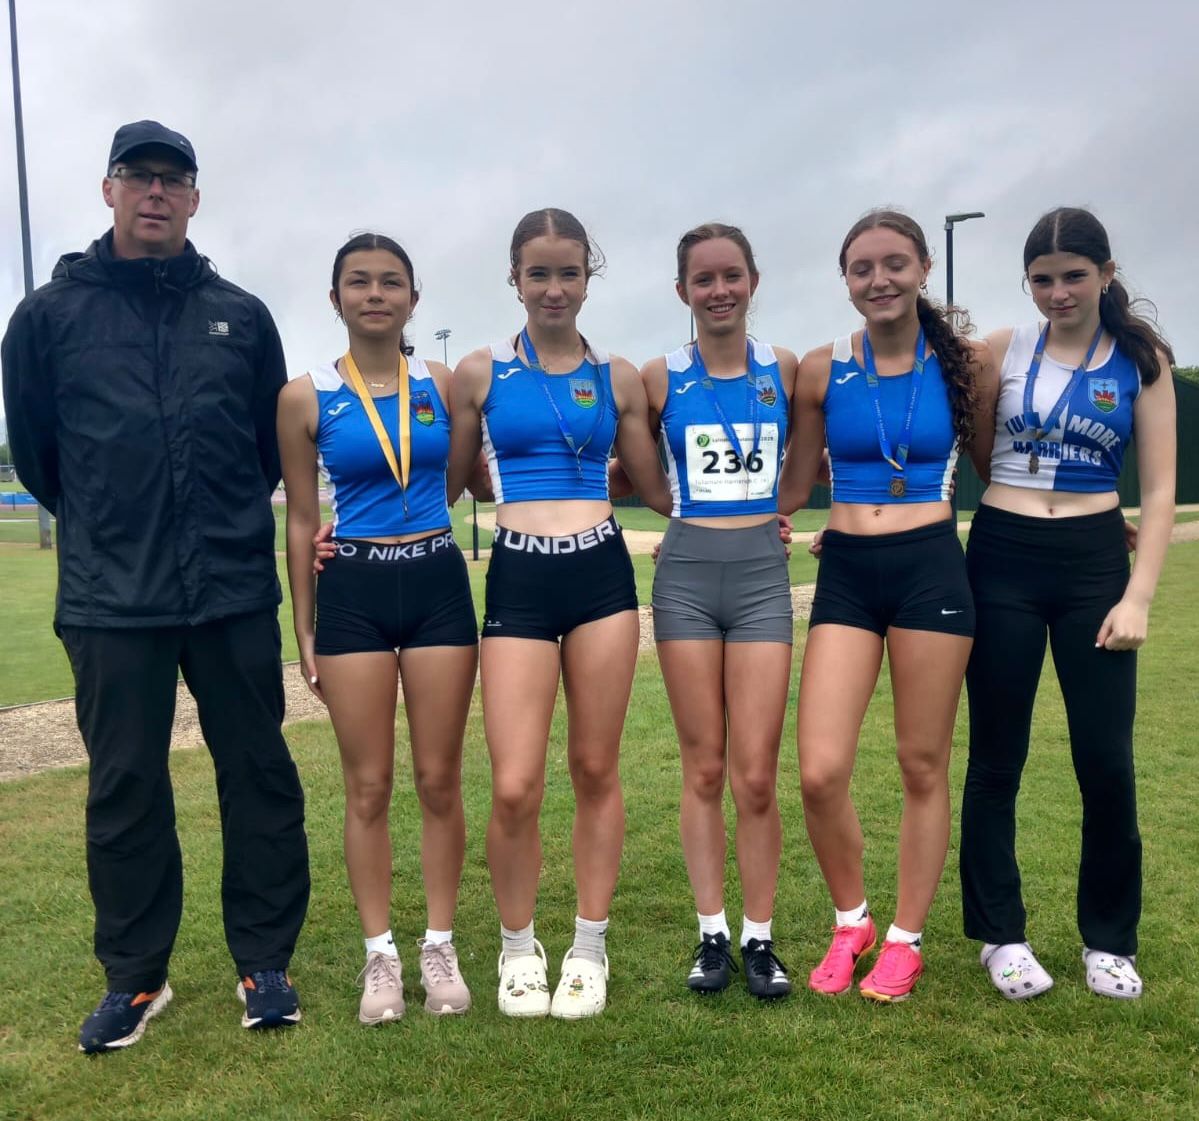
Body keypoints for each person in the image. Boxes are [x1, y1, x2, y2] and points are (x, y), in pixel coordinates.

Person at [1, 121, 309, 1052]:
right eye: (138, 178)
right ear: (107, 191)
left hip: (230, 590)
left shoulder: (242, 315)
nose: (156, 194)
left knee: (257, 775)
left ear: (194, 198)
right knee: (126, 788)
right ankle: (137, 979)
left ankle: (264, 962)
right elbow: (44, 459)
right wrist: (116, 524)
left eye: (174, 180)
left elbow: (265, 453)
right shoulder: (48, 317)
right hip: (111, 599)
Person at [446, 207, 670, 1019]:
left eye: (567, 272)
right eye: (537, 273)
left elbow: (652, 487)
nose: (552, 287)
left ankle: (587, 945)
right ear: (514, 278)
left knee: (594, 768)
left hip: (600, 577)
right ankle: (516, 949)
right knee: (513, 784)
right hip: (518, 579)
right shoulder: (476, 373)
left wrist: (742, 506)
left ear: (587, 278)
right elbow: (445, 485)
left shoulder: (617, 378)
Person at [959, 207, 1176, 1001]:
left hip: (1092, 566)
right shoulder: (999, 351)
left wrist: (1137, 596)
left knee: (1106, 762)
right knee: (995, 758)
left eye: (1072, 276)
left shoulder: (1141, 359)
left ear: (1106, 274)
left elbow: (1156, 490)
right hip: (1002, 558)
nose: (1057, 292)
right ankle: (1000, 935)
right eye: (1042, 279)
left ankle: (1108, 939)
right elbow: (982, 451)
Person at [778, 208, 990, 1002]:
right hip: (848, 570)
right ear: (845, 279)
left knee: (920, 762)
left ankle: (904, 939)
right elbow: (795, 485)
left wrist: (1104, 511)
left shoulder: (963, 362)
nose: (879, 279)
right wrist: (712, 521)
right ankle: (851, 919)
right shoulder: (821, 368)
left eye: (894, 263)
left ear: (923, 269)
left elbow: (1000, 466)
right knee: (820, 769)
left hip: (930, 567)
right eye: (862, 267)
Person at [278, 233, 479, 1023]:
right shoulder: (304, 395)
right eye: (357, 282)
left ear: (412, 299)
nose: (374, 294)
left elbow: (460, 475)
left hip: (435, 582)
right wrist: (304, 628)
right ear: (334, 299)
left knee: (437, 778)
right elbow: (300, 519)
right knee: (366, 785)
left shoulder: (441, 380)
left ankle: (438, 943)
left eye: (390, 282)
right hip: (353, 590)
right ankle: (379, 958)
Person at [637, 223, 799, 999]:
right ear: (682, 292)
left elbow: (799, 471)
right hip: (688, 579)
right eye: (703, 280)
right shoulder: (657, 376)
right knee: (703, 766)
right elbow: (641, 477)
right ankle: (710, 934)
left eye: (731, 274)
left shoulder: (785, 368)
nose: (719, 290)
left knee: (756, 774)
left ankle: (760, 938)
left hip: (764, 579)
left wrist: (779, 513)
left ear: (753, 279)